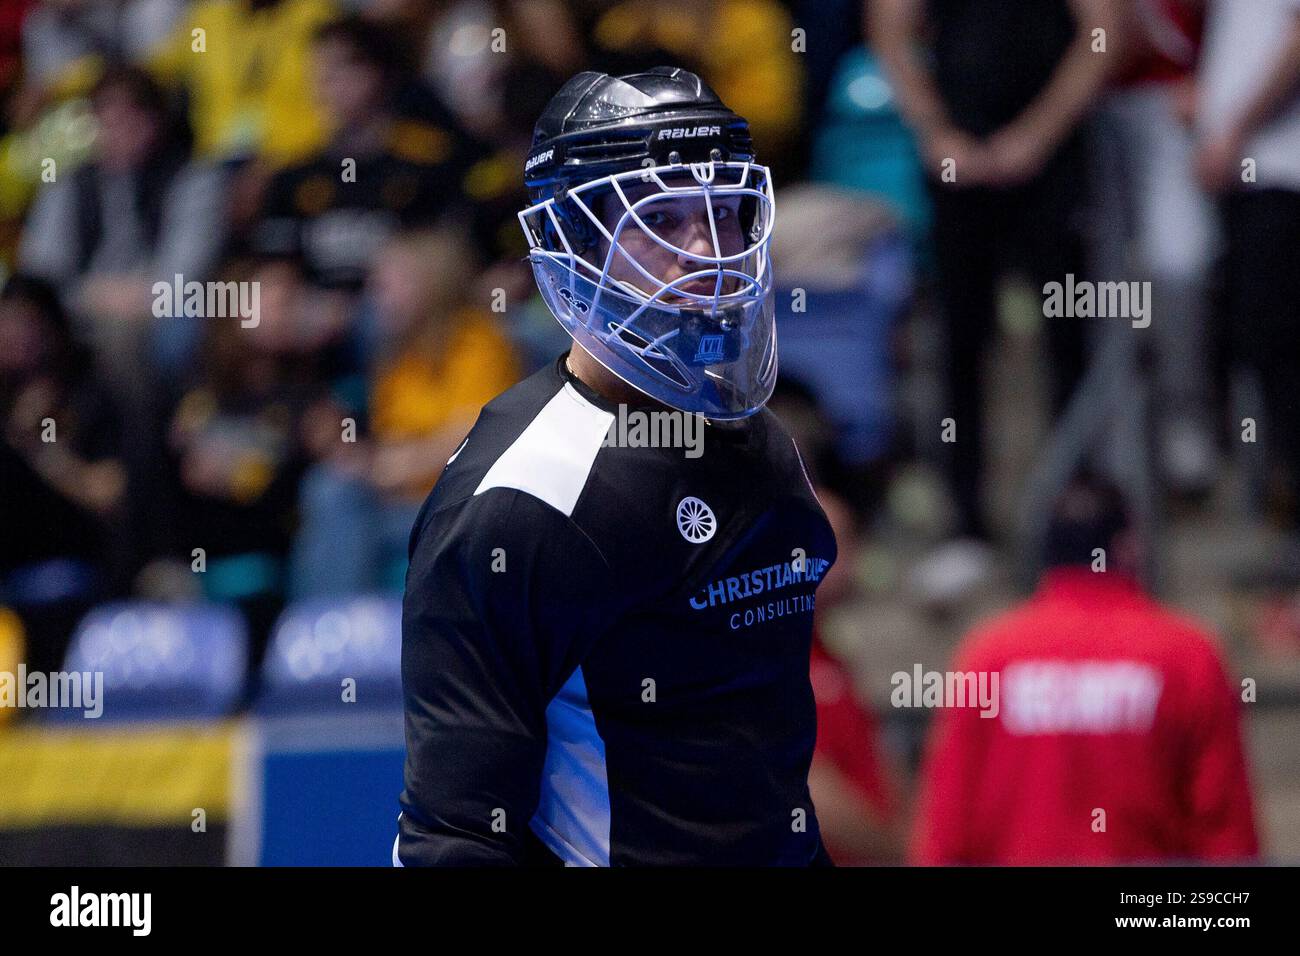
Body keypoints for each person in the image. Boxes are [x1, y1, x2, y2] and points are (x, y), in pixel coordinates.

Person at [396, 67, 838, 866]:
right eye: (660, 218)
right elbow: (454, 836)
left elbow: (765, 785)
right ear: (578, 243)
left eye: (724, 213)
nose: (707, 254)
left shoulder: (763, 443)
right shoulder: (523, 496)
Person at [912, 473, 1260, 864]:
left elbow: (947, 827)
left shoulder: (989, 655)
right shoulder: (1185, 653)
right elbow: (1227, 835)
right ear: (1128, 546)